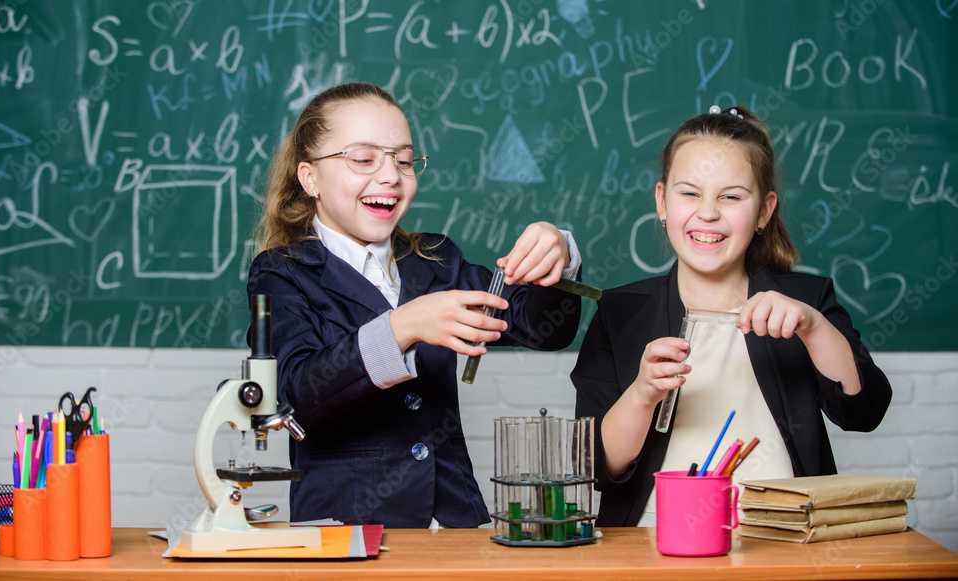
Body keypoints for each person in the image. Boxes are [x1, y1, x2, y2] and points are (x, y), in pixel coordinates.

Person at [247, 82, 583, 528]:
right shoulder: (283, 273)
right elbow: (293, 395)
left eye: (404, 161)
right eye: (364, 159)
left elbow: (542, 329)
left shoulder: (437, 261)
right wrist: (400, 327)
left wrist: (557, 253)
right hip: (347, 535)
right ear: (310, 178)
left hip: (454, 528)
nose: (390, 176)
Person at [571, 106, 891, 527]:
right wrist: (642, 394)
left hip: (784, 536)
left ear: (764, 211)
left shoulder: (806, 302)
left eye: (731, 196)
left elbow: (864, 412)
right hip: (652, 539)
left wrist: (814, 327)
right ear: (661, 201)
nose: (708, 212)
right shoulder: (619, 311)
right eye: (690, 193)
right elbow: (595, 466)